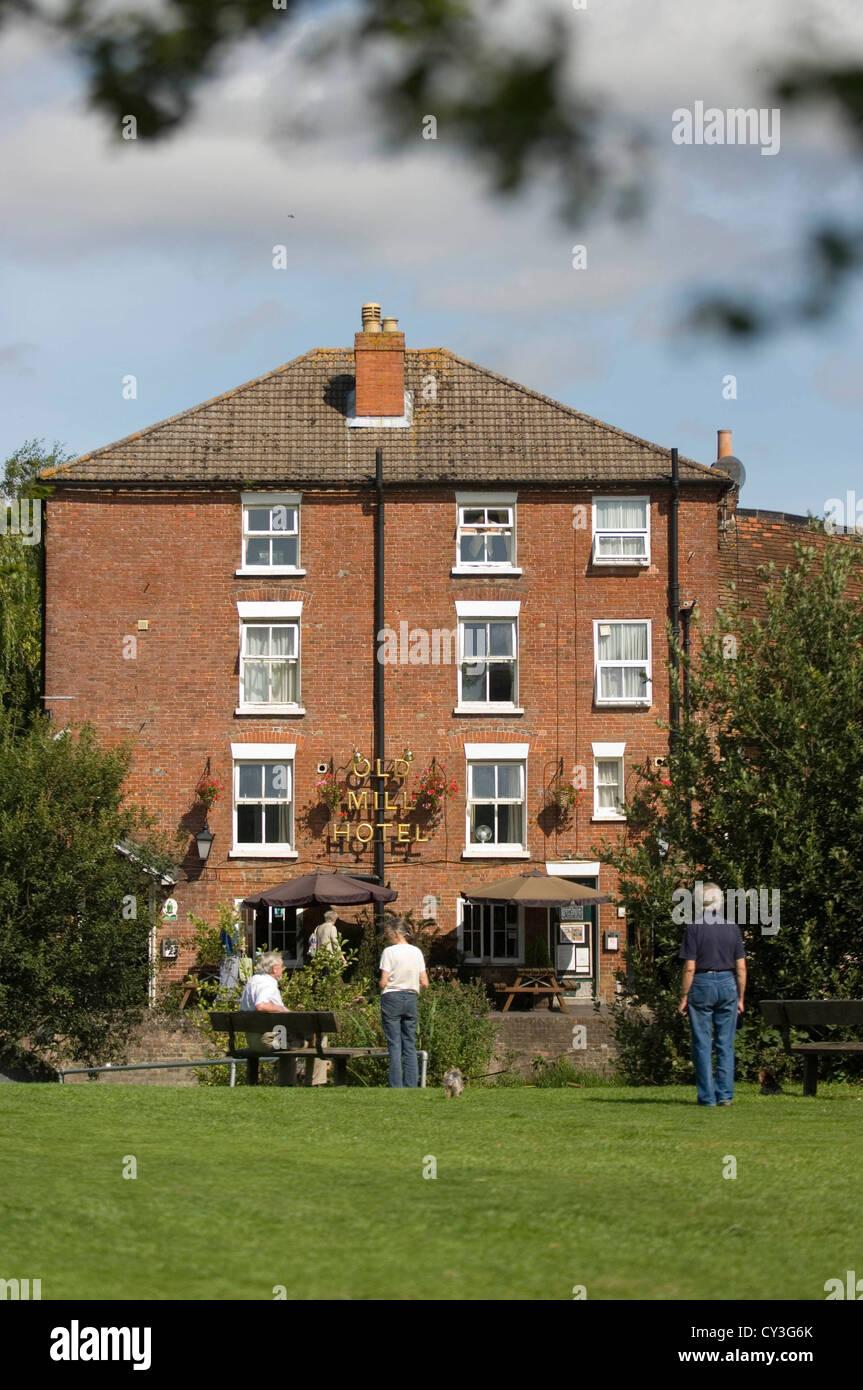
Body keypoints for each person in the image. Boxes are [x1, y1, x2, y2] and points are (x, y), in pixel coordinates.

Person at [678, 882, 746, 1106]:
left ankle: (707, 1097)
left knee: (702, 1042)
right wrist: (740, 998)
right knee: (726, 1043)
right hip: (728, 982)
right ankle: (725, 1095)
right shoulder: (732, 928)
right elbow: (742, 968)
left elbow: (689, 967)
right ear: (720, 901)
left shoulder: (694, 928)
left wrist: (684, 996)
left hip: (702, 982)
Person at [378, 919, 429, 1088]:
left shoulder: (389, 952)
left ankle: (395, 1085)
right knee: (409, 1043)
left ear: (396, 933)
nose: (388, 938)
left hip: (392, 997)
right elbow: (425, 982)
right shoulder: (416, 952)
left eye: (389, 934)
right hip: (411, 998)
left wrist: (380, 986)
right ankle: (411, 1084)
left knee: (394, 1044)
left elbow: (384, 981)